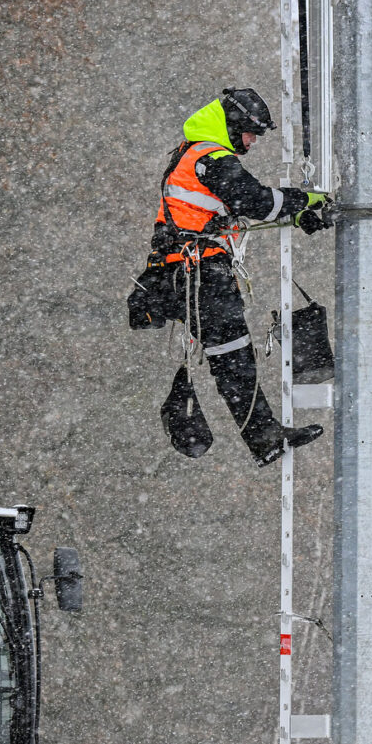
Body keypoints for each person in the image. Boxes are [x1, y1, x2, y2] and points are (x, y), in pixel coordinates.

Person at [130, 88, 333, 465]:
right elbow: (253, 200)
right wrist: (305, 200)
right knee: (235, 360)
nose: (253, 142)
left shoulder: (193, 154)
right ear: (233, 123)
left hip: (189, 273)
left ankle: (265, 438)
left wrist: (293, 211)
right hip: (199, 275)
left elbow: (236, 207)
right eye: (252, 132)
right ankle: (265, 436)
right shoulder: (210, 157)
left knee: (232, 360)